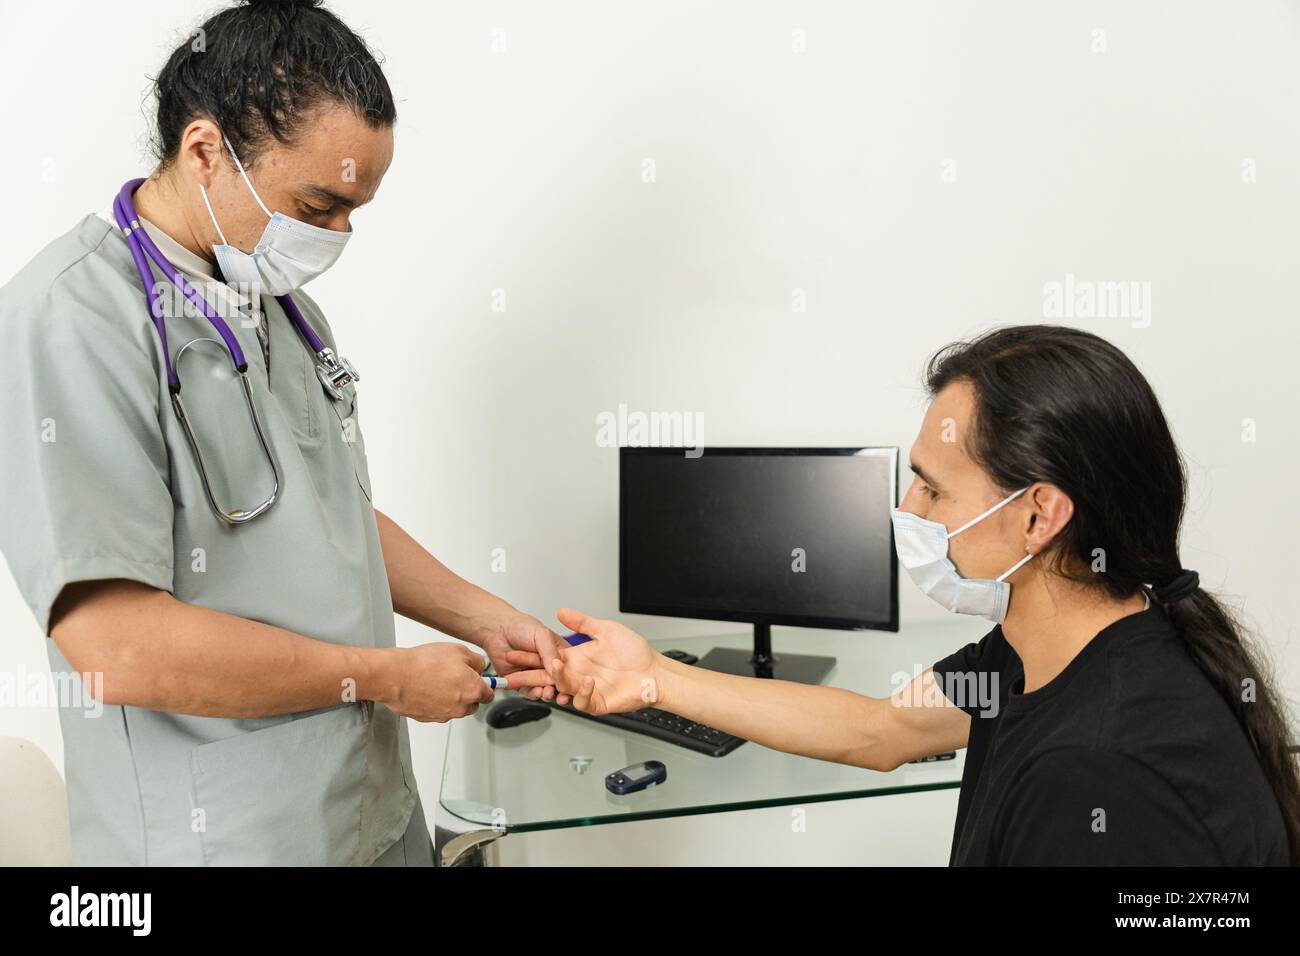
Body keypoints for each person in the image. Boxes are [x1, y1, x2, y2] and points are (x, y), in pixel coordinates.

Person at [0, 0, 563, 866]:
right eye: (318, 203)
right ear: (204, 150)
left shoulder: (286, 314)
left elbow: (325, 517)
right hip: (223, 837)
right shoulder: (69, 320)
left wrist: (492, 620)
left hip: (364, 809)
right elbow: (115, 647)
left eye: (354, 211)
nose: (337, 235)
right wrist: (386, 676)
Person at [530, 325, 1299, 865]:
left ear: (1039, 515)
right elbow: (881, 730)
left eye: (932, 489)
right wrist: (652, 678)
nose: (906, 512)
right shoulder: (1043, 656)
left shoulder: (1095, 775)